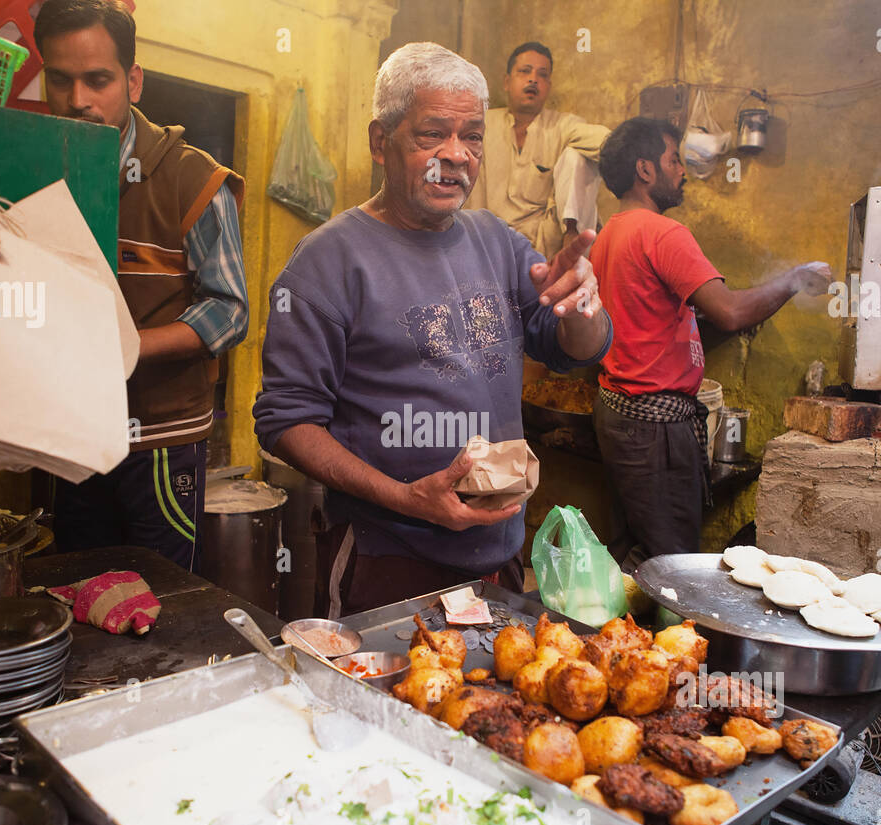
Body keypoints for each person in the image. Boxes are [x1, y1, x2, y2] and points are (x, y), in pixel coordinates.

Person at [253, 42, 612, 618]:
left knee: (490, 706)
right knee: (382, 703)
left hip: (500, 557)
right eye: (432, 135)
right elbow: (286, 420)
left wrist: (584, 308)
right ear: (380, 142)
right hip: (388, 561)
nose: (457, 155)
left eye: (472, 136)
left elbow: (573, 352)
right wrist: (407, 499)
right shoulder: (327, 262)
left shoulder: (496, 241)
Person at [33, 0, 249, 572]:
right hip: (70, 433)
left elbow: (229, 312)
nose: (78, 100)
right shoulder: (35, 170)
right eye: (60, 79)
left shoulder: (192, 178)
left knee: (161, 599)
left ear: (133, 80)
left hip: (160, 437)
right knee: (76, 589)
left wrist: (124, 349)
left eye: (98, 80)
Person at [590, 117, 831, 569]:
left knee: (632, 554)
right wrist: (794, 279)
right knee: (672, 565)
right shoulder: (663, 233)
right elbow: (731, 312)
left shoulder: (609, 234)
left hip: (619, 412)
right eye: (673, 159)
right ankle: (671, 638)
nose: (681, 169)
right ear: (645, 170)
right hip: (655, 425)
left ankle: (621, 637)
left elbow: (638, 308)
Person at [464, 41, 609, 259]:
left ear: (548, 85)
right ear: (506, 81)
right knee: (466, 147)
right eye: (524, 71)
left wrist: (642, 148)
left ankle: (573, 247)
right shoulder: (485, 123)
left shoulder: (562, 125)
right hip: (488, 243)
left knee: (578, 155)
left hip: (544, 246)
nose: (533, 79)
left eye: (542, 75)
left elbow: (607, 141)